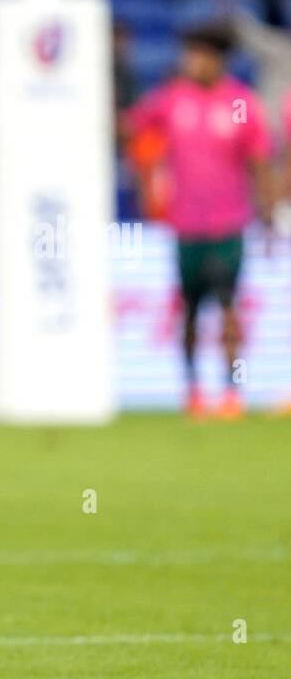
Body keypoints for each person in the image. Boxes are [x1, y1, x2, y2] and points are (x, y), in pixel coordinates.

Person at [126, 24, 274, 419]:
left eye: (199, 55)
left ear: (217, 60)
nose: (192, 62)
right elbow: (137, 133)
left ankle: (231, 392)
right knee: (189, 310)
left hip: (229, 224)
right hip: (185, 225)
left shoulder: (241, 104)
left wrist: (270, 217)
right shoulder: (171, 101)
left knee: (227, 308)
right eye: (188, 55)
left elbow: (259, 163)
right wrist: (147, 186)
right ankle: (192, 390)